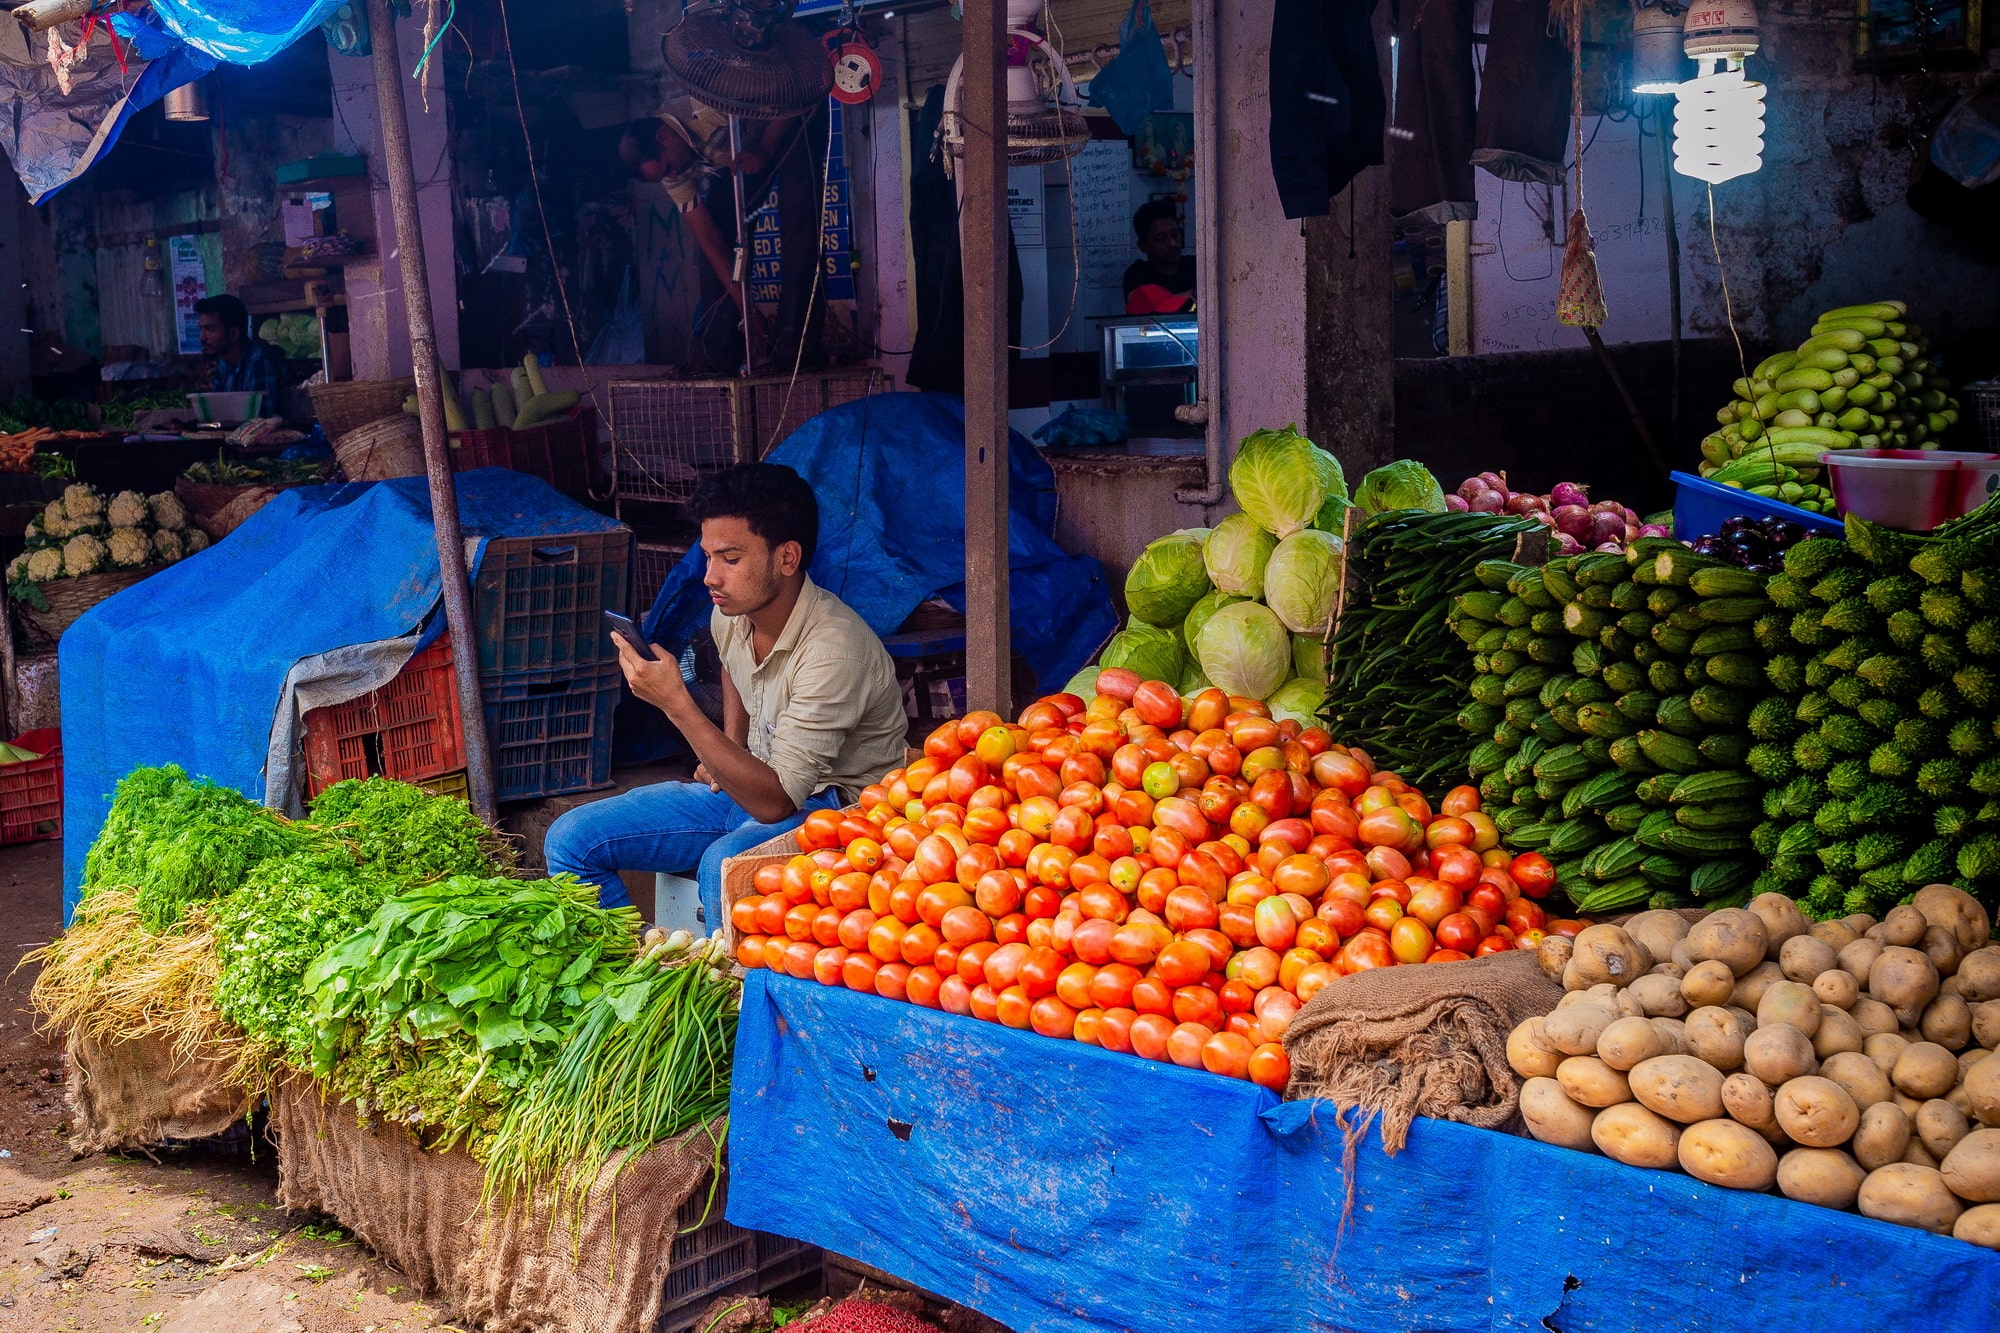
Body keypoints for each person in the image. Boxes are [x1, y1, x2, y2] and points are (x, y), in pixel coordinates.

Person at [543, 462, 908, 931]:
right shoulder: (732, 615)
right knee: (572, 839)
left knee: (722, 866)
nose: (710, 577)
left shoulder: (835, 652)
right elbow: (734, 669)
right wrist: (730, 747)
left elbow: (776, 803)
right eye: (708, 556)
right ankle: (640, 979)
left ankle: (729, 997)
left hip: (840, 810)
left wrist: (677, 705)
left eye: (730, 559)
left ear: (787, 558)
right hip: (755, 786)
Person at [195, 294, 286, 396]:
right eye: (201, 329)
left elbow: (260, 411)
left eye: (210, 329)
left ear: (233, 334)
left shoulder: (259, 362)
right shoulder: (224, 364)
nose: (202, 337)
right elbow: (217, 409)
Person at [1122, 200, 1196, 315]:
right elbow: (1139, 307)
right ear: (1143, 246)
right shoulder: (1137, 274)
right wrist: (1194, 294)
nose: (1172, 243)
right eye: (1161, 238)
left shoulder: (1194, 266)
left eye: (1175, 234)